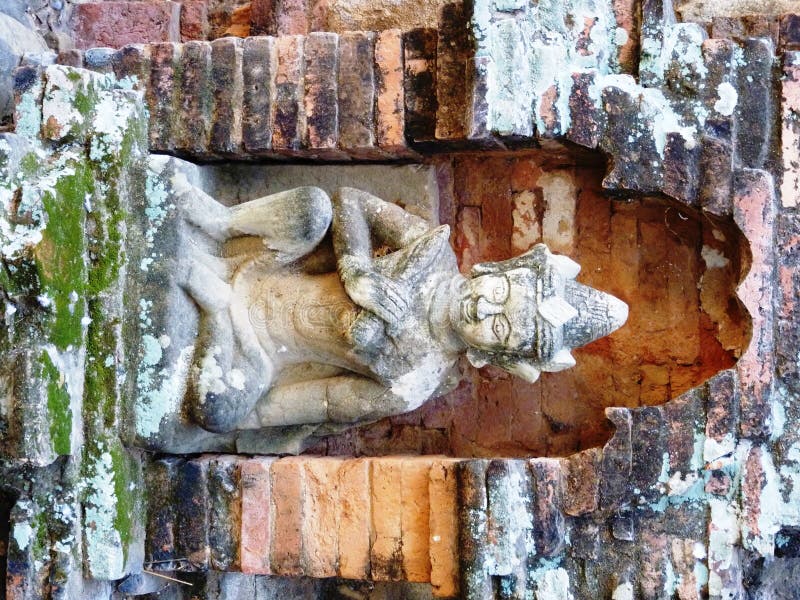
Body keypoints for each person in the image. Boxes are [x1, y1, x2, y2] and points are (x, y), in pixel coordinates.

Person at [171, 180, 628, 434]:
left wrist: (252, 416)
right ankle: (221, 222)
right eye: (500, 296)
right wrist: (358, 272)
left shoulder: (413, 379)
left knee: (218, 412)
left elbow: (306, 404)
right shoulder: (430, 251)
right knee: (312, 209)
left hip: (258, 348)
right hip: (272, 267)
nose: (485, 312)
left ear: (499, 357)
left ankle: (216, 308)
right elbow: (351, 202)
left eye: (502, 330)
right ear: (494, 272)